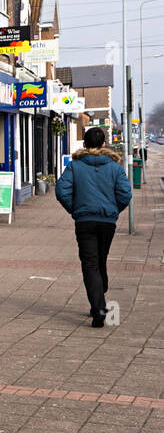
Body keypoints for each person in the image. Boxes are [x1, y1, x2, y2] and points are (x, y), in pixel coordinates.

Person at [55, 126, 132, 327]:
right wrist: (114, 210)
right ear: (104, 144)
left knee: (90, 264)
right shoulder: (115, 167)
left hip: (85, 222)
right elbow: (125, 194)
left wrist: (75, 209)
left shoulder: (75, 166)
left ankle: (98, 307)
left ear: (84, 144)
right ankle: (99, 298)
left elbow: (61, 190)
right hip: (107, 222)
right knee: (100, 258)